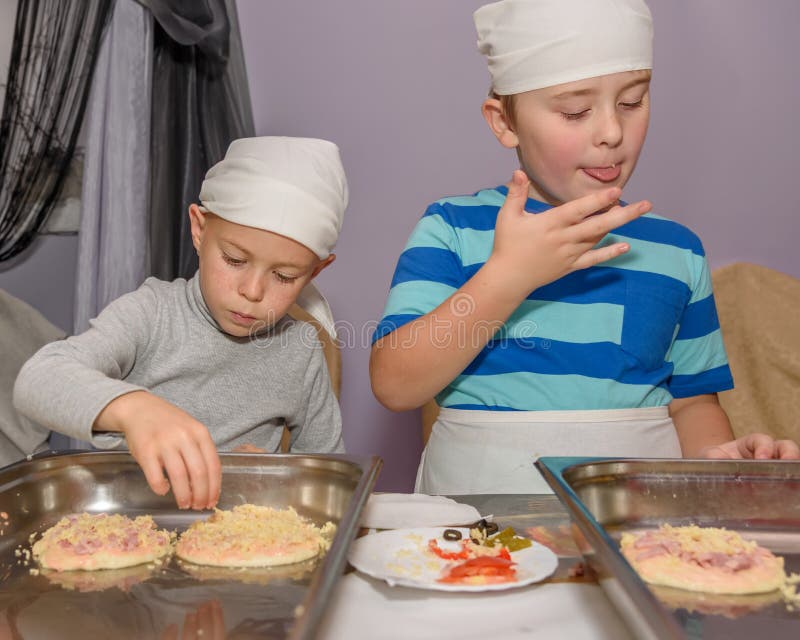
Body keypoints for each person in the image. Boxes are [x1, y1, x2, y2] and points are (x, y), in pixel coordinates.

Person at [369, 0, 800, 494]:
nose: (612, 132)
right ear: (503, 121)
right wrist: (508, 276)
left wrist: (719, 461)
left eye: (633, 102)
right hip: (477, 536)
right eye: (575, 111)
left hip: (639, 521)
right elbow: (396, 384)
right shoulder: (452, 229)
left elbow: (692, 402)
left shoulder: (678, 251)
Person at [14, 136, 347, 509]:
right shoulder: (152, 314)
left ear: (316, 271)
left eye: (284, 276)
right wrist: (135, 409)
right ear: (200, 230)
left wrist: (275, 476)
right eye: (235, 260)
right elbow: (37, 379)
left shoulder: (299, 351)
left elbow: (327, 481)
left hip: (241, 546)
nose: (252, 291)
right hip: (131, 531)